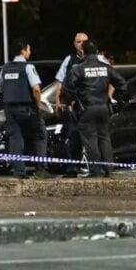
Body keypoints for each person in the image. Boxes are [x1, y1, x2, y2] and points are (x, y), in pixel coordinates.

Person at [62, 40, 127, 178]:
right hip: (103, 107)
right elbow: (122, 83)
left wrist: (74, 101)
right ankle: (108, 170)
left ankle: (95, 171)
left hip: (87, 108)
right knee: (104, 138)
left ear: (83, 52)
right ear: (97, 52)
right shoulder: (106, 67)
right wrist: (117, 100)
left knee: (90, 140)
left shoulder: (78, 69)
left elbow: (67, 88)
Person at [53, 32, 107, 177]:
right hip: (75, 107)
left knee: (95, 139)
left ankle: (100, 169)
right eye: (78, 42)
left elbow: (110, 78)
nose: (81, 45)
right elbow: (60, 82)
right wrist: (59, 102)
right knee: (74, 137)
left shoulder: (99, 60)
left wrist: (107, 96)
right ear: (74, 44)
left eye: (84, 42)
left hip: (91, 106)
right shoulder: (69, 60)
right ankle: (73, 169)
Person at [0, 40, 48, 178]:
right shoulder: (28, 67)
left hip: (9, 109)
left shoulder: (5, 68)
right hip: (26, 108)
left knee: (15, 138)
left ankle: (19, 172)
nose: (30, 52)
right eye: (29, 50)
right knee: (40, 134)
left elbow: (0, 86)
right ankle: (40, 170)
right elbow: (36, 89)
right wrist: (37, 105)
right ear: (23, 51)